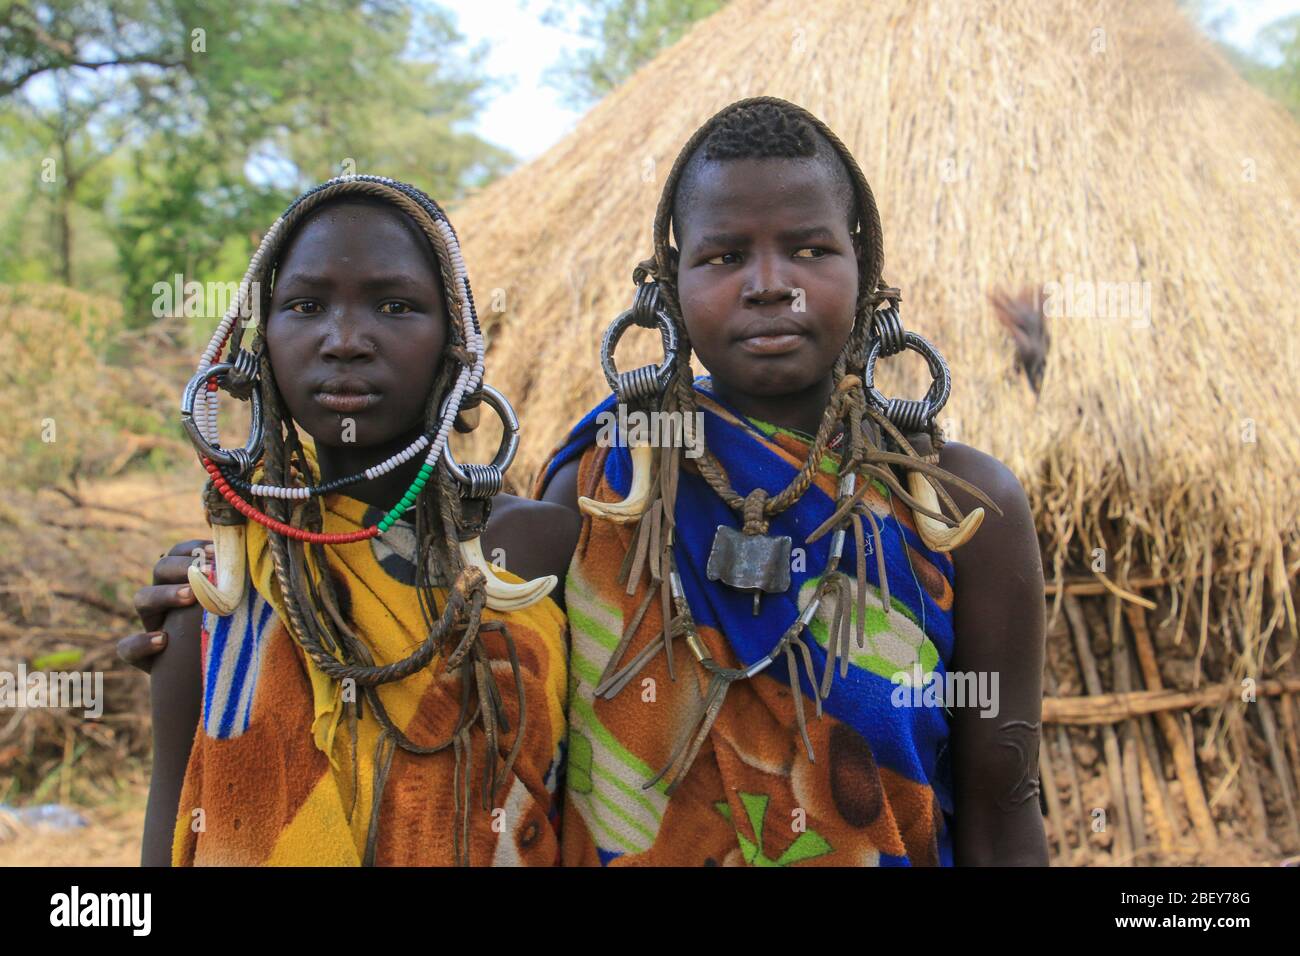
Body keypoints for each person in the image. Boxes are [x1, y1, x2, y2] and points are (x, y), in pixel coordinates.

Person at [534, 98, 1048, 866]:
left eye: (808, 250)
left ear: (863, 265)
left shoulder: (961, 507)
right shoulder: (600, 487)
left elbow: (1002, 811)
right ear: (670, 283)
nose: (771, 284)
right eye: (724, 257)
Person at [126, 175, 579, 866]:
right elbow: (170, 838)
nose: (344, 340)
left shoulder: (540, 547)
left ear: (457, 341)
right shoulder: (217, 594)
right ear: (261, 344)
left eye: (395, 306)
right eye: (306, 305)